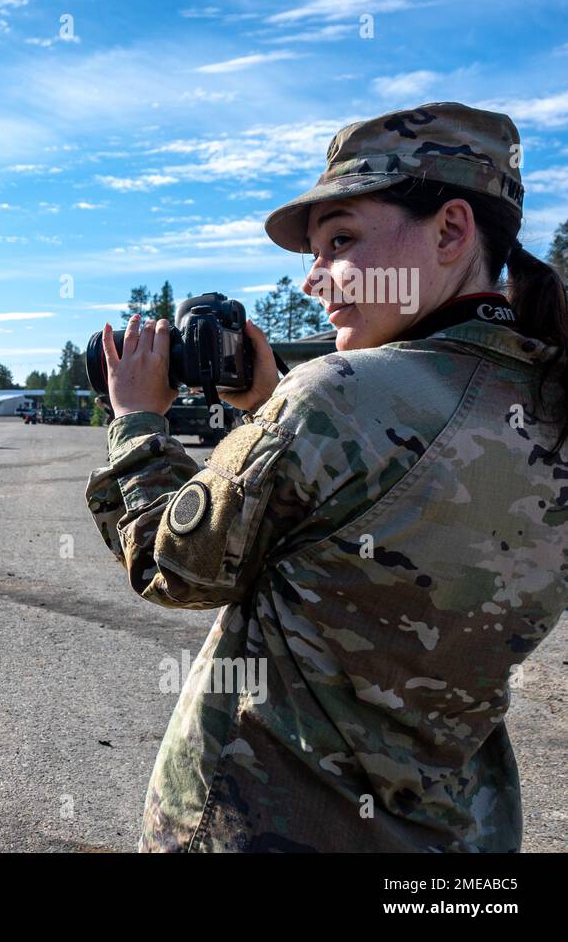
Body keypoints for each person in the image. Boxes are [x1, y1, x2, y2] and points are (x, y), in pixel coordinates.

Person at [87, 102, 567, 852]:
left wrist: (138, 422)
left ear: (450, 231)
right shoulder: (547, 397)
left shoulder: (336, 398)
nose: (315, 279)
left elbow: (169, 564)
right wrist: (268, 413)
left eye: (340, 240)